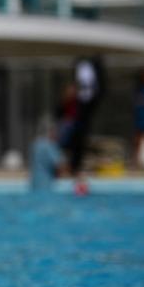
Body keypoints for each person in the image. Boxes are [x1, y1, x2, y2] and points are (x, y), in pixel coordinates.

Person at [67, 56, 106, 186]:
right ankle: (76, 167)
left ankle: (78, 168)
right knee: (77, 140)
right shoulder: (78, 100)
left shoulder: (90, 95)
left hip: (84, 112)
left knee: (81, 139)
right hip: (78, 119)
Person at [29, 120, 65, 192]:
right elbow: (59, 165)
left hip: (34, 183)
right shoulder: (50, 145)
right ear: (52, 132)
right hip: (46, 184)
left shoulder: (36, 144)